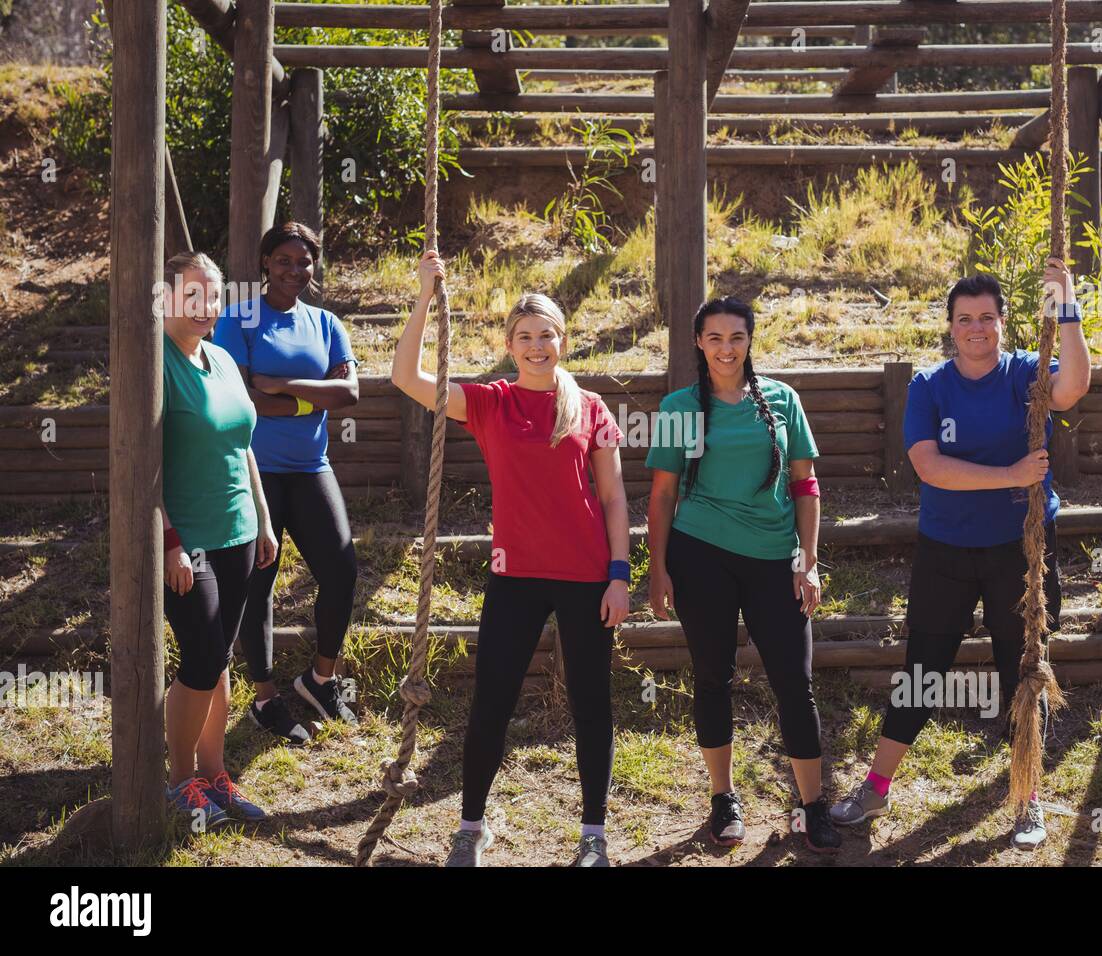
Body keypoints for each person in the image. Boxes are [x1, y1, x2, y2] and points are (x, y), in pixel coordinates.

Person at [830, 259, 1090, 850]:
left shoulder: (1027, 373)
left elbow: (1074, 386)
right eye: (966, 319)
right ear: (951, 327)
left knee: (1022, 673)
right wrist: (1011, 474)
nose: (978, 328)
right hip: (946, 550)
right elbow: (929, 466)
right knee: (922, 669)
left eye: (988, 318)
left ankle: (1027, 800)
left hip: (1020, 552)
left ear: (1003, 323)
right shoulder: (930, 385)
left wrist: (1066, 303)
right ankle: (876, 785)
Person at [391, 250, 631, 868]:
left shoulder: (591, 409)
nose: (536, 345)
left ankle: (593, 836)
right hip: (515, 578)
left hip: (585, 580)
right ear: (509, 344)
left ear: (563, 340)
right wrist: (424, 296)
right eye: (524, 336)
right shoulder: (491, 403)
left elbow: (612, 498)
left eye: (546, 334)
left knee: (591, 702)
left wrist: (619, 575)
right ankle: (470, 826)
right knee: (491, 700)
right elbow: (405, 378)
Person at [645, 296, 841, 854]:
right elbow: (662, 496)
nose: (726, 348)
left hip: (775, 559)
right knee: (713, 678)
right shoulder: (681, 406)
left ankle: (811, 806)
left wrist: (808, 559)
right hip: (700, 554)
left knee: (794, 684)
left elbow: (806, 486)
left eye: (736, 337)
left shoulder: (783, 400)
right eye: (714, 338)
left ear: (750, 340)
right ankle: (723, 799)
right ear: (698, 343)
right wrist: (657, 569)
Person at [214, 222, 360, 744]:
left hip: (311, 467)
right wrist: (305, 399)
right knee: (260, 582)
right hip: (257, 469)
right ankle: (265, 698)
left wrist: (282, 386)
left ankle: (319, 679)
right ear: (264, 263)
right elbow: (244, 397)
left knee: (341, 572)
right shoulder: (240, 317)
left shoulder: (325, 323)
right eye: (284, 261)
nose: (295, 271)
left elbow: (349, 394)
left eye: (304, 262)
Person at [160, 251, 277, 825]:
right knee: (203, 656)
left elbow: (243, 443)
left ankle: (215, 777)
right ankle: (179, 781)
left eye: (214, 296)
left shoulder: (224, 359)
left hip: (240, 533)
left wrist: (263, 516)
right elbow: (139, 464)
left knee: (222, 657)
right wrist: (168, 541)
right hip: (189, 539)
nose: (208, 307)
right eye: (194, 295)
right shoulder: (152, 363)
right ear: (165, 298)